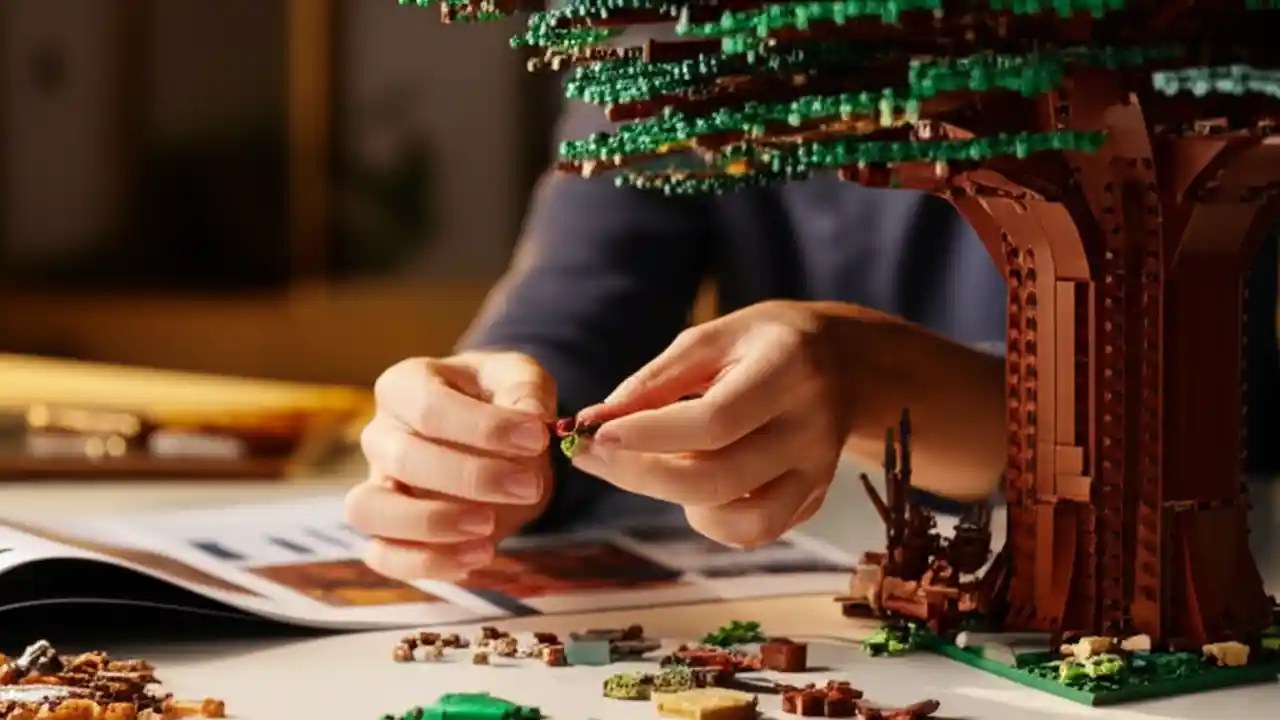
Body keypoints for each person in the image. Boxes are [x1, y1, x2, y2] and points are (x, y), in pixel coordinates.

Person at [344, 97, 1280, 583]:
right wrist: (467, 430)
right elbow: (569, 324)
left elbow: (1192, 416)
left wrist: (870, 379)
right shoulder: (668, 37)